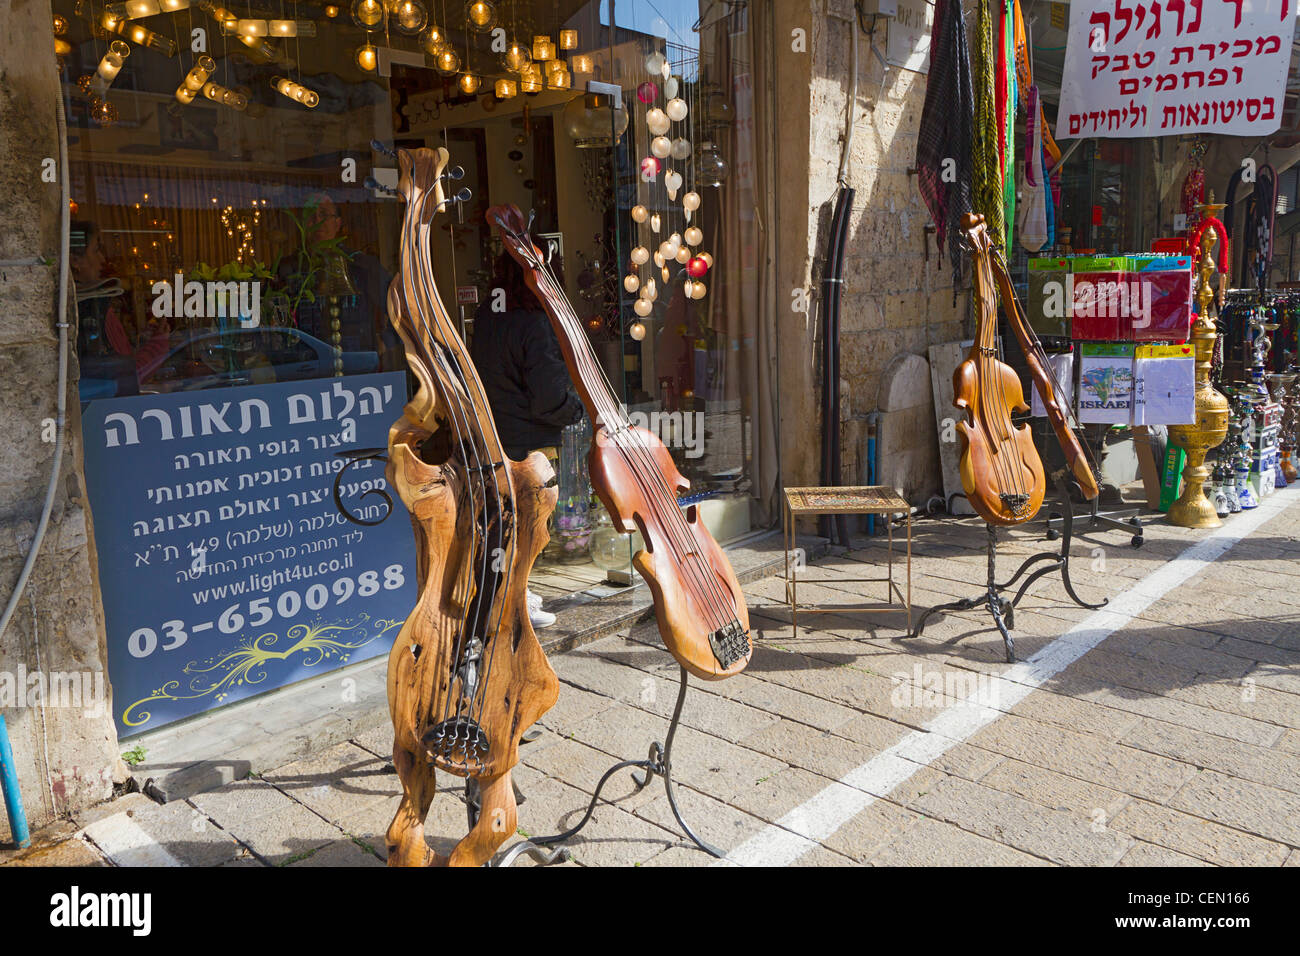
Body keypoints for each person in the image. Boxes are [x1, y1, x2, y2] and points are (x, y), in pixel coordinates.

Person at [470, 252, 585, 628]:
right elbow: (549, 397)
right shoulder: (536, 323)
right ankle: (517, 598)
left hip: (493, 433)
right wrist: (578, 408)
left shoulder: (489, 314)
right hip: (529, 441)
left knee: (502, 523)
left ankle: (503, 593)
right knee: (529, 524)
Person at [71, 220, 171, 397]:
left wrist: (148, 343)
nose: (103, 259)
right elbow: (123, 379)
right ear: (75, 261)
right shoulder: (90, 309)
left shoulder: (92, 306)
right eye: (95, 251)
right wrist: (158, 345)